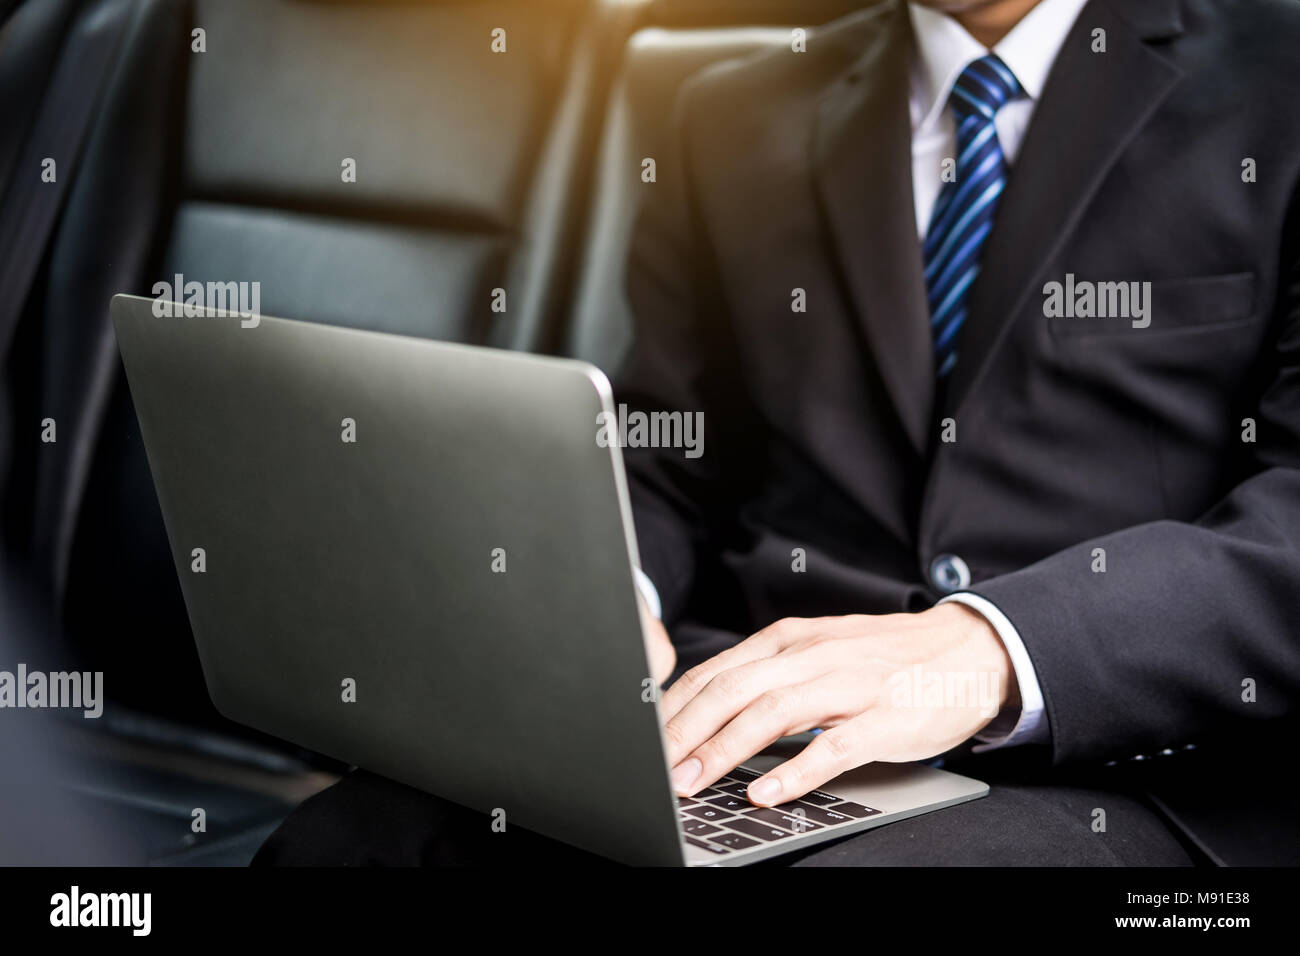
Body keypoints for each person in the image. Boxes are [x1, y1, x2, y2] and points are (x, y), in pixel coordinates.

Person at [256, 0, 1300, 866]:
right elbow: (669, 454)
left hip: (1128, 764)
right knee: (352, 840)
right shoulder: (731, 113)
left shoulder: (1278, 77)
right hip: (748, 707)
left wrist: (988, 645)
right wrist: (600, 592)